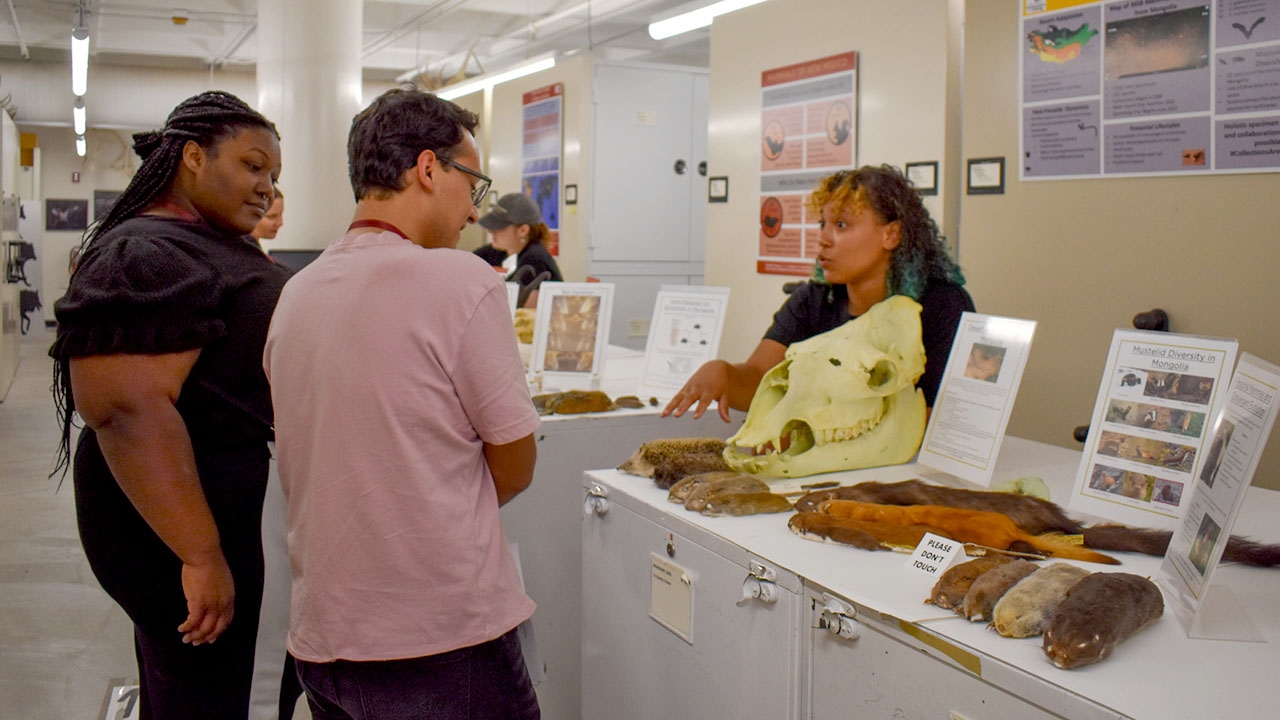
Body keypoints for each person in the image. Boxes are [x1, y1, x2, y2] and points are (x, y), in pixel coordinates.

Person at [264, 88, 541, 719]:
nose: (474, 211)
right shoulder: (462, 281)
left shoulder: (295, 294)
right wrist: (429, 501)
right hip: (441, 640)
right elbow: (515, 464)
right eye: (471, 183)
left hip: (323, 639)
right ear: (427, 169)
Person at [50, 90, 288, 719]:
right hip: (191, 527)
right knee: (212, 694)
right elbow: (127, 412)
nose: (265, 187)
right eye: (252, 165)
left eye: (273, 174)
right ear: (192, 157)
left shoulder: (199, 242)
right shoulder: (142, 255)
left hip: (226, 515)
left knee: (211, 689)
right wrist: (200, 555)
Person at [664, 164, 973, 423]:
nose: (824, 239)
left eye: (841, 224)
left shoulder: (943, 306)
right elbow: (760, 378)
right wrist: (724, 374)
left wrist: (811, 425)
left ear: (891, 234)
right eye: (823, 224)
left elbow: (940, 415)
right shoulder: (814, 300)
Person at [480, 192, 563, 306]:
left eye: (499, 226)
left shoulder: (535, 260)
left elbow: (525, 310)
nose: (491, 231)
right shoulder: (498, 251)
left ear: (523, 230)